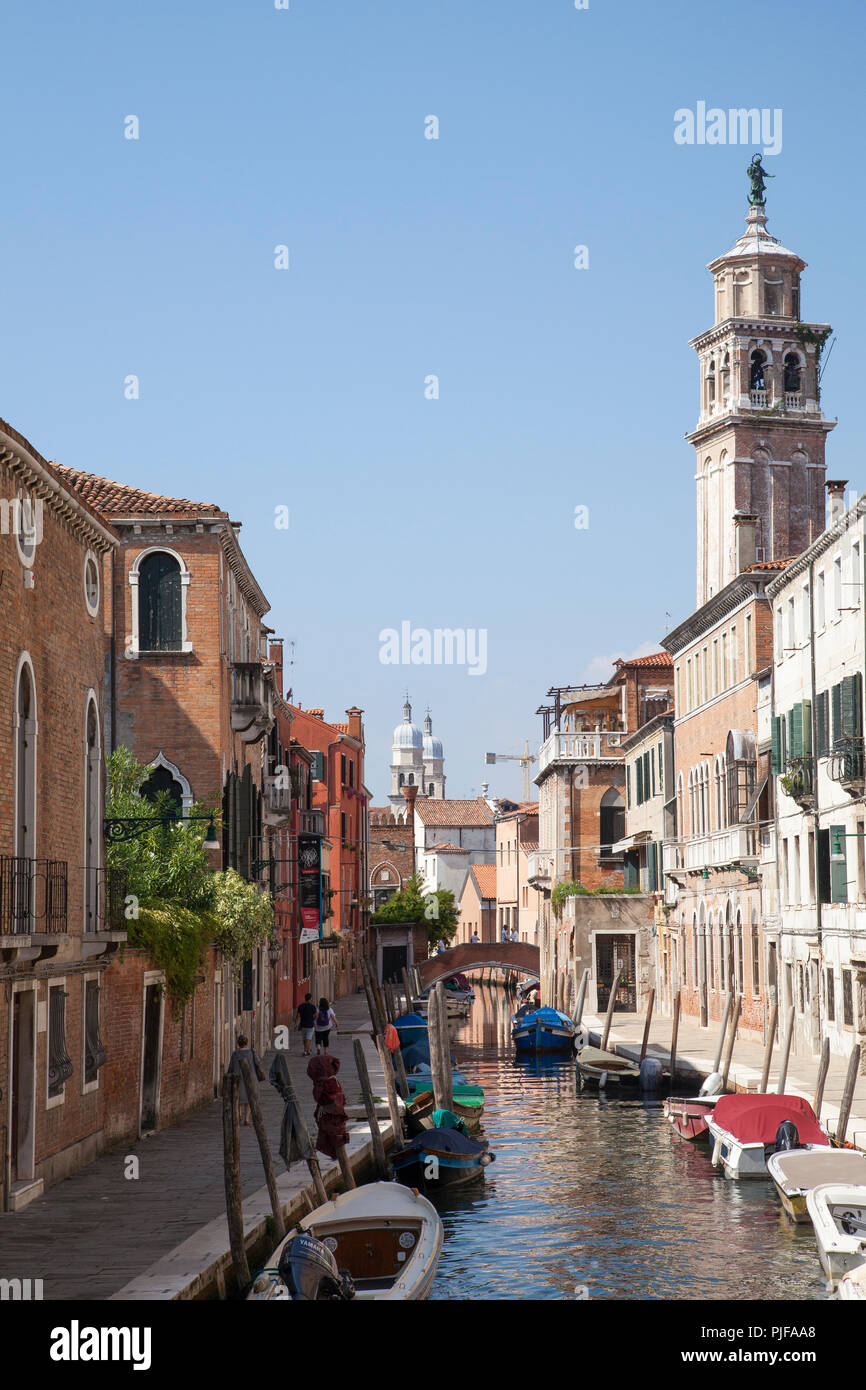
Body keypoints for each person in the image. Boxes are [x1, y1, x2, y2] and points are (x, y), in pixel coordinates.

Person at [227, 1033, 265, 1126]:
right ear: (247, 1043)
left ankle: (239, 1114)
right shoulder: (252, 1052)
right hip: (251, 1078)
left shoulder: (235, 1054)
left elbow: (231, 1067)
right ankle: (247, 1118)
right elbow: (258, 1063)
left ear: (238, 1044)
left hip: (238, 1078)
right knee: (249, 1099)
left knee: (239, 1098)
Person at [295, 992, 318, 1057]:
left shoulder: (300, 1006)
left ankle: (307, 1050)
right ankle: (306, 1051)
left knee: (305, 1039)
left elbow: (298, 1016)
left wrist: (296, 1024)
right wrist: (313, 1019)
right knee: (308, 1039)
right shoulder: (313, 1006)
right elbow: (316, 1015)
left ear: (305, 998)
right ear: (310, 999)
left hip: (303, 1025)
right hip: (310, 1025)